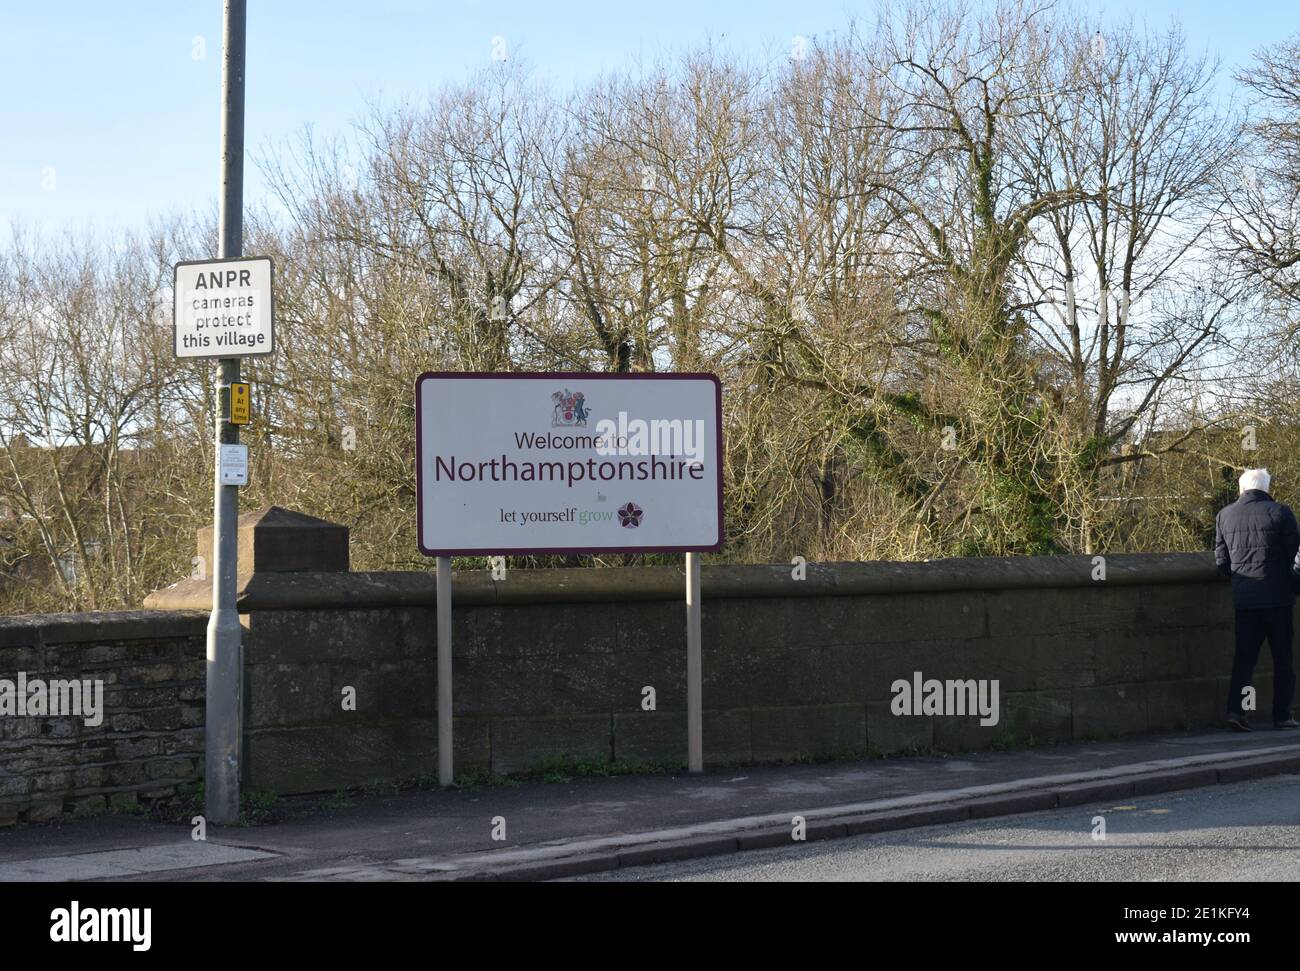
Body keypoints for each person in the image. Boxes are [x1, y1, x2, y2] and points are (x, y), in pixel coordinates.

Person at [1214, 468, 1300, 730]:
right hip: (1278, 600)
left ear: (1241, 489)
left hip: (1246, 601)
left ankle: (1236, 712)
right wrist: (1293, 587)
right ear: (1267, 487)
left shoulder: (1224, 515)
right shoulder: (1281, 513)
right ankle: (1282, 715)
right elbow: (1295, 557)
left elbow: (1221, 561)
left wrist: (1241, 582)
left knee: (1244, 659)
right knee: (1283, 659)